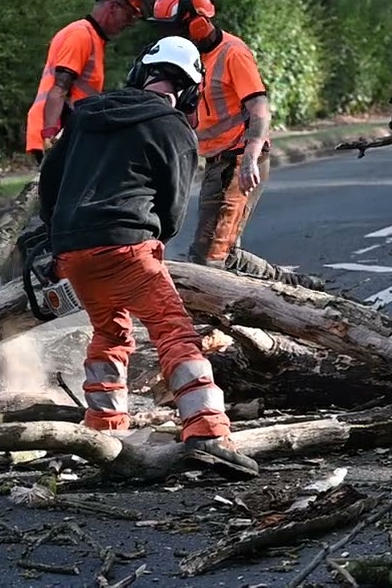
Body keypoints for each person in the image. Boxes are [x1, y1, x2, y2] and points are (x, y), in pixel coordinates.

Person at [37, 36, 259, 481]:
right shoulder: (173, 126)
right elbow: (173, 211)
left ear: (143, 72)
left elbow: (50, 182)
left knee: (110, 332)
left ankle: (103, 430)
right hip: (126, 245)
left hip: (70, 250)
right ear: (192, 90)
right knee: (173, 331)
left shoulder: (86, 114)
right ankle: (207, 431)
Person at [146, 0, 324, 290]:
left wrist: (250, 159)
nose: (168, 35)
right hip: (217, 161)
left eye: (173, 27)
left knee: (207, 259)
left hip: (238, 159)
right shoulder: (191, 59)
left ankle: (264, 300)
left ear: (198, 21)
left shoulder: (233, 53)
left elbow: (259, 108)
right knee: (223, 253)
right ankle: (294, 287)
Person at [24, 0, 152, 165]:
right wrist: (50, 137)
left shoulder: (93, 38)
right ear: (113, 7)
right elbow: (59, 89)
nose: (128, 24)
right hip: (56, 132)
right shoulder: (81, 35)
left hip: (68, 132)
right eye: (129, 15)